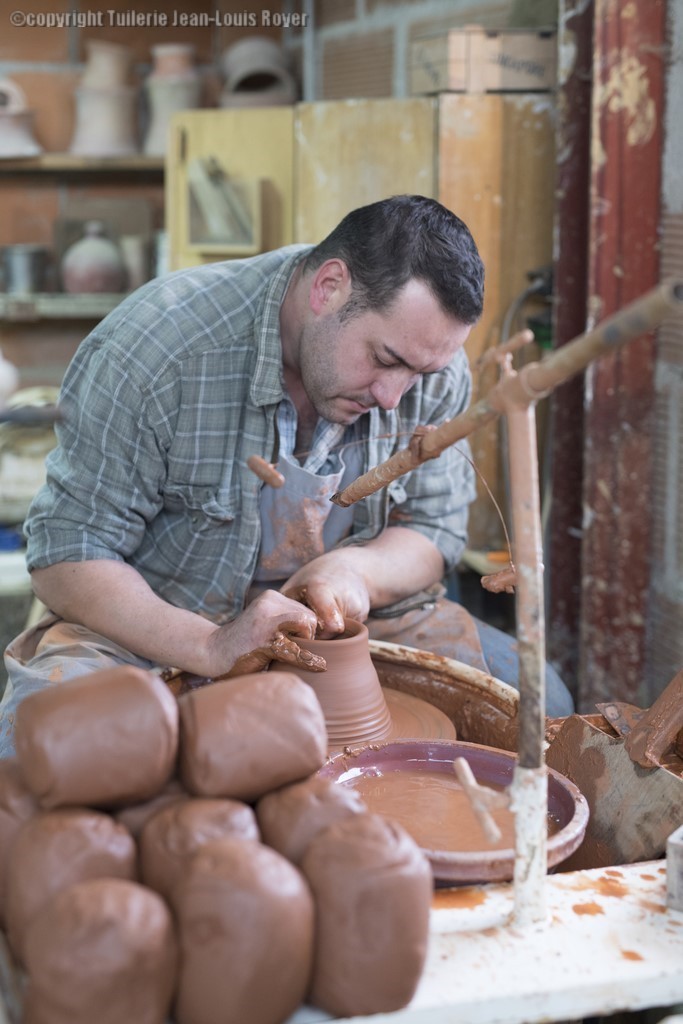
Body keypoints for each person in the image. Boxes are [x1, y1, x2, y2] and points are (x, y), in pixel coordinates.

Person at [0, 195, 573, 756]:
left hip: (345, 628)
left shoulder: (427, 358)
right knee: (38, 751)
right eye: (385, 360)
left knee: (542, 707)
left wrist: (356, 571)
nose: (393, 398)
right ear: (329, 288)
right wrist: (211, 644)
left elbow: (434, 529)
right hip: (164, 620)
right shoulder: (155, 350)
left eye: (419, 375)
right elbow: (67, 556)